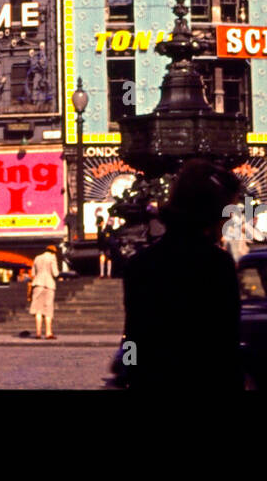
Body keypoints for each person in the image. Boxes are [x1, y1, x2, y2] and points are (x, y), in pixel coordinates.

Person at [121, 159, 243, 391]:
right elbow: (227, 345)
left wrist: (131, 375)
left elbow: (131, 338)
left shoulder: (139, 265)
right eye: (228, 211)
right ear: (212, 212)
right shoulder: (217, 264)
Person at [29, 245, 59, 339]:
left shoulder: (37, 258)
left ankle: (38, 333)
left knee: (38, 310)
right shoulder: (52, 258)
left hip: (37, 284)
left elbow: (33, 273)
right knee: (48, 309)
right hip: (49, 284)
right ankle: (48, 333)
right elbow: (55, 273)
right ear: (53, 252)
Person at [96, 212, 112, 278]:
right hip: (103, 246)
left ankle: (108, 273)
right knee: (103, 259)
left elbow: (108, 236)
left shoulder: (106, 228)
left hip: (107, 246)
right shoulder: (100, 229)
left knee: (108, 259)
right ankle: (103, 273)